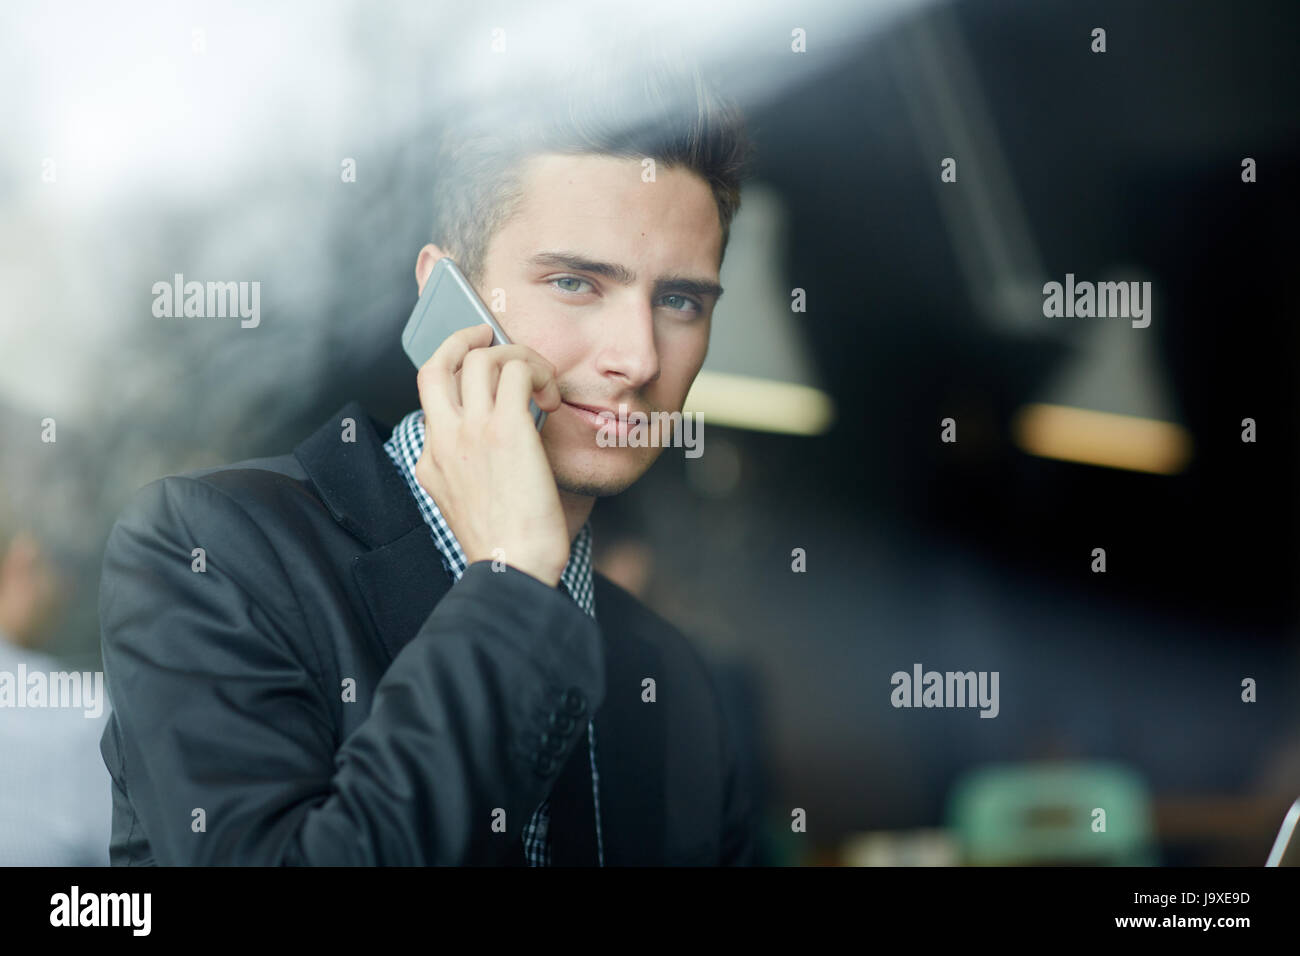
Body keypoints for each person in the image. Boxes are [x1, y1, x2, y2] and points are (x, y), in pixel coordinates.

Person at [98, 52, 758, 865]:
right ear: (447, 296)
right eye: (577, 284)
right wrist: (511, 583)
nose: (639, 358)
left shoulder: (678, 683)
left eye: (680, 301)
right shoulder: (210, 553)